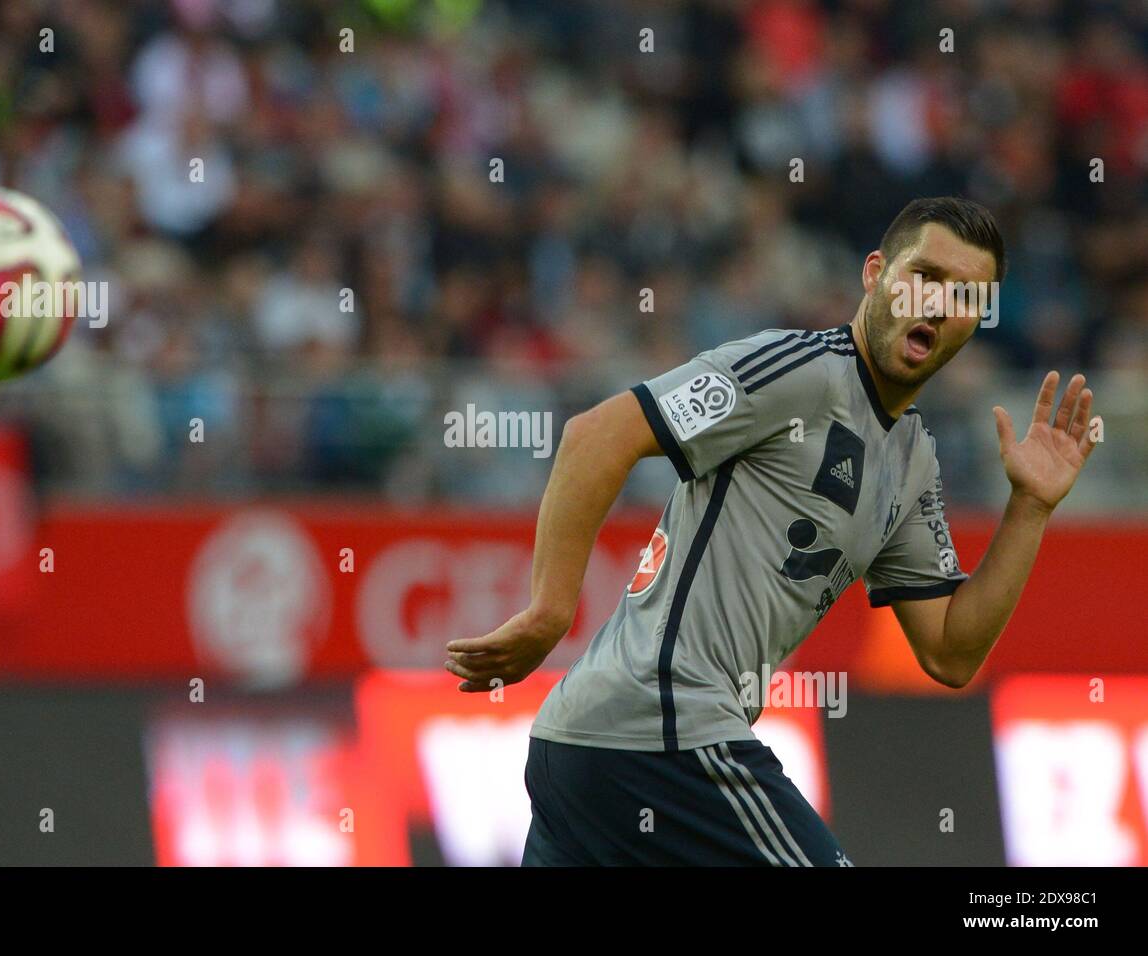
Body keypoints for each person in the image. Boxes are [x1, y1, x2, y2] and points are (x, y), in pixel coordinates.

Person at [444, 197, 1101, 866]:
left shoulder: (912, 461)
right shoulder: (800, 372)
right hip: (660, 725)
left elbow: (951, 652)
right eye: (924, 275)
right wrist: (551, 612)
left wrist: (1029, 507)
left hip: (589, 752)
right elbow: (596, 436)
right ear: (876, 273)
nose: (936, 303)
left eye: (964, 294)